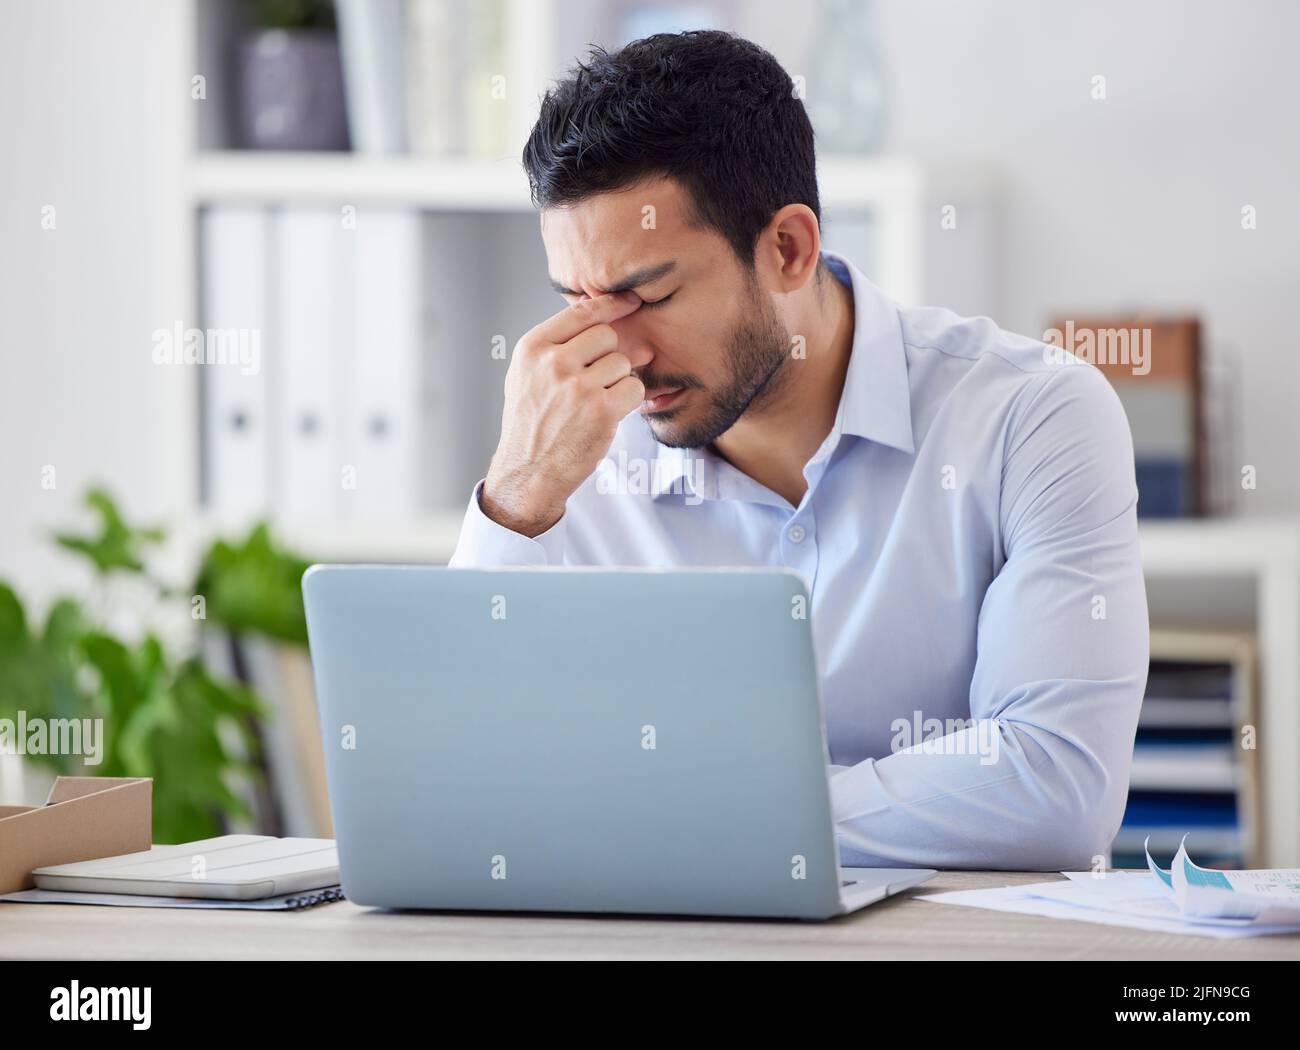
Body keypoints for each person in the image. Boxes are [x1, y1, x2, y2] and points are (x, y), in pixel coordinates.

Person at [450, 30, 1149, 870]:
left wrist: (694, 817)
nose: (616, 351)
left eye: (651, 294)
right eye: (576, 300)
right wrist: (519, 493)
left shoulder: (1032, 418)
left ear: (788, 248)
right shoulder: (567, 451)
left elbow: (1055, 790)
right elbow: (458, 787)